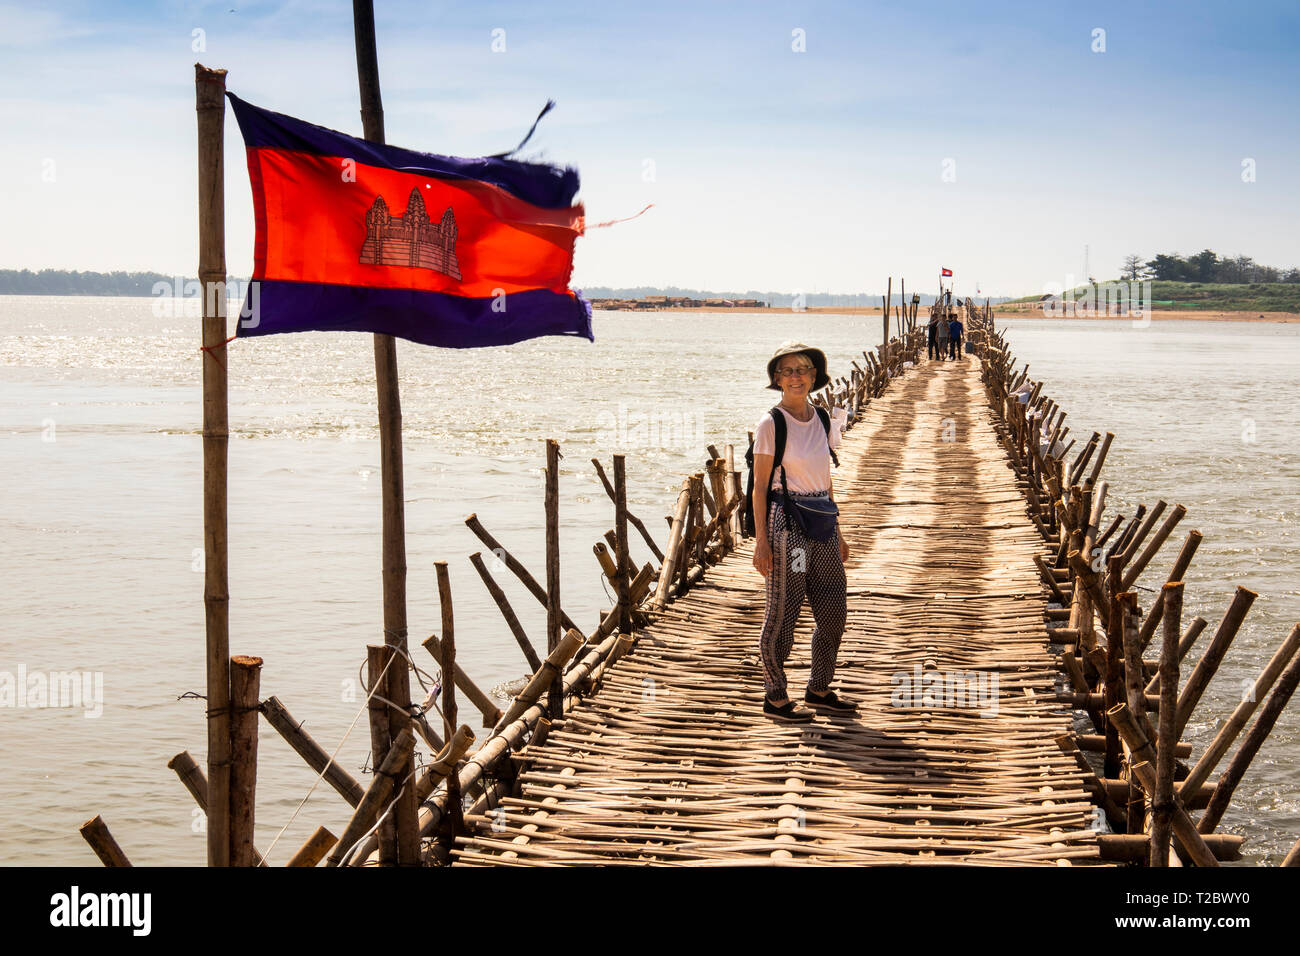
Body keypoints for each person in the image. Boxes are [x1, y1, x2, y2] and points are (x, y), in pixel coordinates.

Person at [751, 342, 854, 722]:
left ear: (815, 377)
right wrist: (762, 542)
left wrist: (838, 531)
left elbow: (826, 481)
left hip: (822, 523)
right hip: (788, 526)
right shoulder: (771, 424)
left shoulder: (824, 418)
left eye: (803, 369)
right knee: (785, 608)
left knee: (833, 608)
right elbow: (759, 489)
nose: (796, 376)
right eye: (788, 370)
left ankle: (819, 687)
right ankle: (775, 695)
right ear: (777, 379)